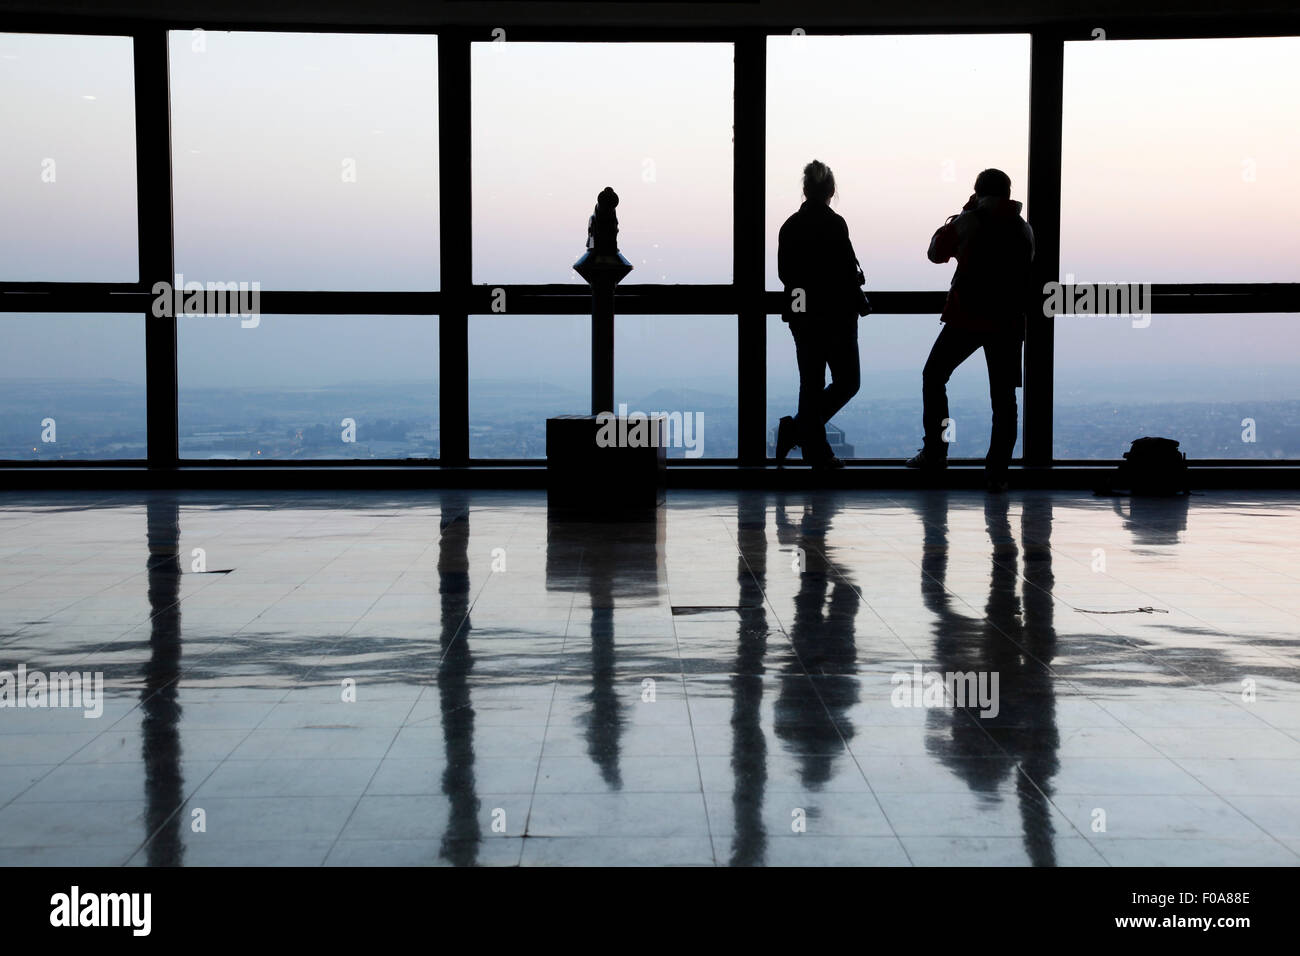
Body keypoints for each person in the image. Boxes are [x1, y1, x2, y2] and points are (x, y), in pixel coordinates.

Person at [906, 168, 1035, 492]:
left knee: (934, 376)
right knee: (1004, 399)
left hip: (968, 317)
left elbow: (936, 253)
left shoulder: (971, 221)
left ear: (978, 193)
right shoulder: (1023, 229)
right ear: (1008, 193)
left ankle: (937, 450)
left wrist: (962, 213)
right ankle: (997, 472)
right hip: (1007, 322)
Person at [775, 160, 869, 470]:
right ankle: (804, 435)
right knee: (847, 382)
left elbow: (785, 274)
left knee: (810, 383)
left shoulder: (790, 226)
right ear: (831, 191)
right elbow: (846, 271)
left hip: (803, 315)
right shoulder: (835, 223)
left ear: (804, 190)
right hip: (837, 316)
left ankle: (809, 442)